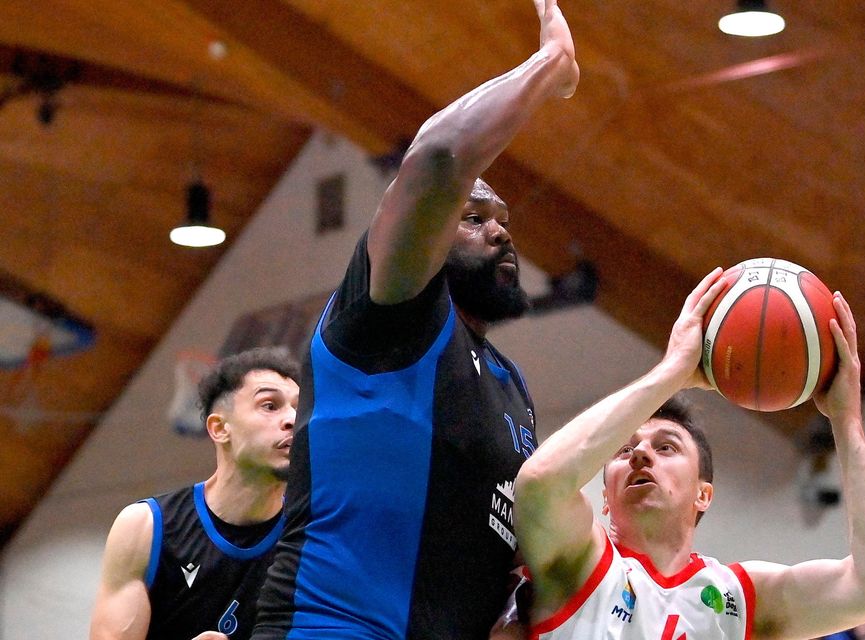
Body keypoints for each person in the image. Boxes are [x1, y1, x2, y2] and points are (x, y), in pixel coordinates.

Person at [251, 1, 579, 638]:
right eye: (474, 218)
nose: (500, 234)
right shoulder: (390, 312)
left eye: (505, 223)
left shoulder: (513, 386)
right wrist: (549, 66)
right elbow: (438, 159)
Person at [513, 270, 865, 639]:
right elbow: (540, 481)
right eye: (624, 450)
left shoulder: (737, 598)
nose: (640, 454)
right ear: (604, 498)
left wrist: (847, 421)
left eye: (666, 446)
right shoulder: (579, 560)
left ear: (703, 494)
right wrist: (672, 371)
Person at [89, 347, 300, 640]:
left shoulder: (314, 532)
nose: (292, 419)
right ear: (220, 428)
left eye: (299, 408)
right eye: (270, 405)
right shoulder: (145, 527)